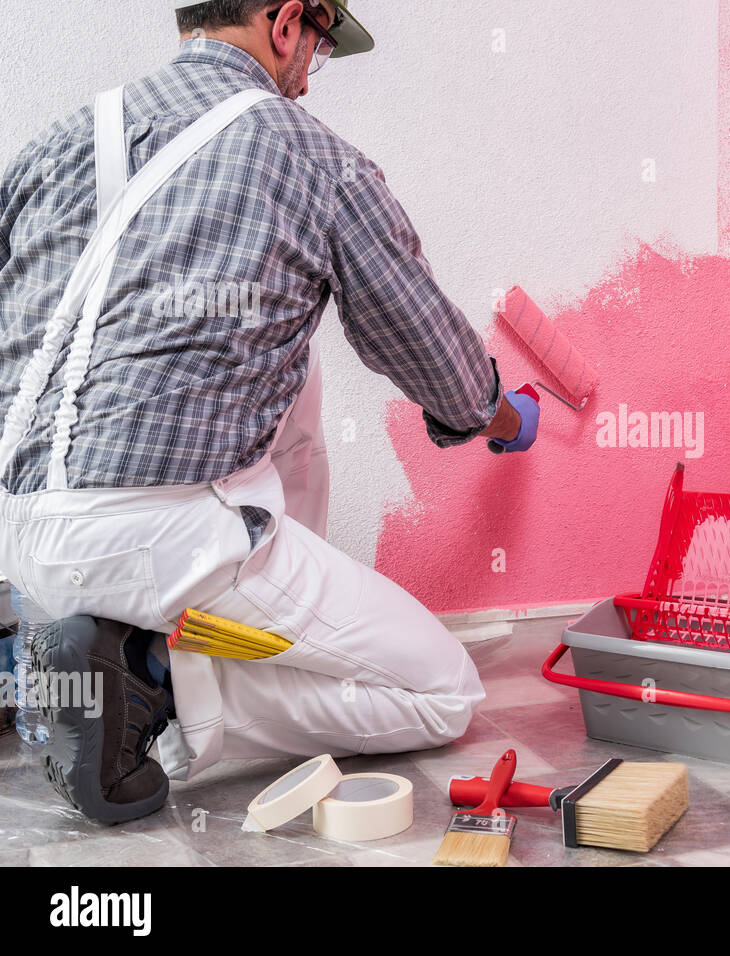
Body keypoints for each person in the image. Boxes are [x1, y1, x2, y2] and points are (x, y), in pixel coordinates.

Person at [0, 0, 540, 823]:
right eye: (317, 50)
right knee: (445, 692)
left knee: (287, 334)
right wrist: (502, 416)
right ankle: (154, 681)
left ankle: (105, 640)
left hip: (26, 524)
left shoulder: (56, 143)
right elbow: (433, 356)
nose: (307, 76)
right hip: (165, 535)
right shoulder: (314, 160)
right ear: (286, 23)